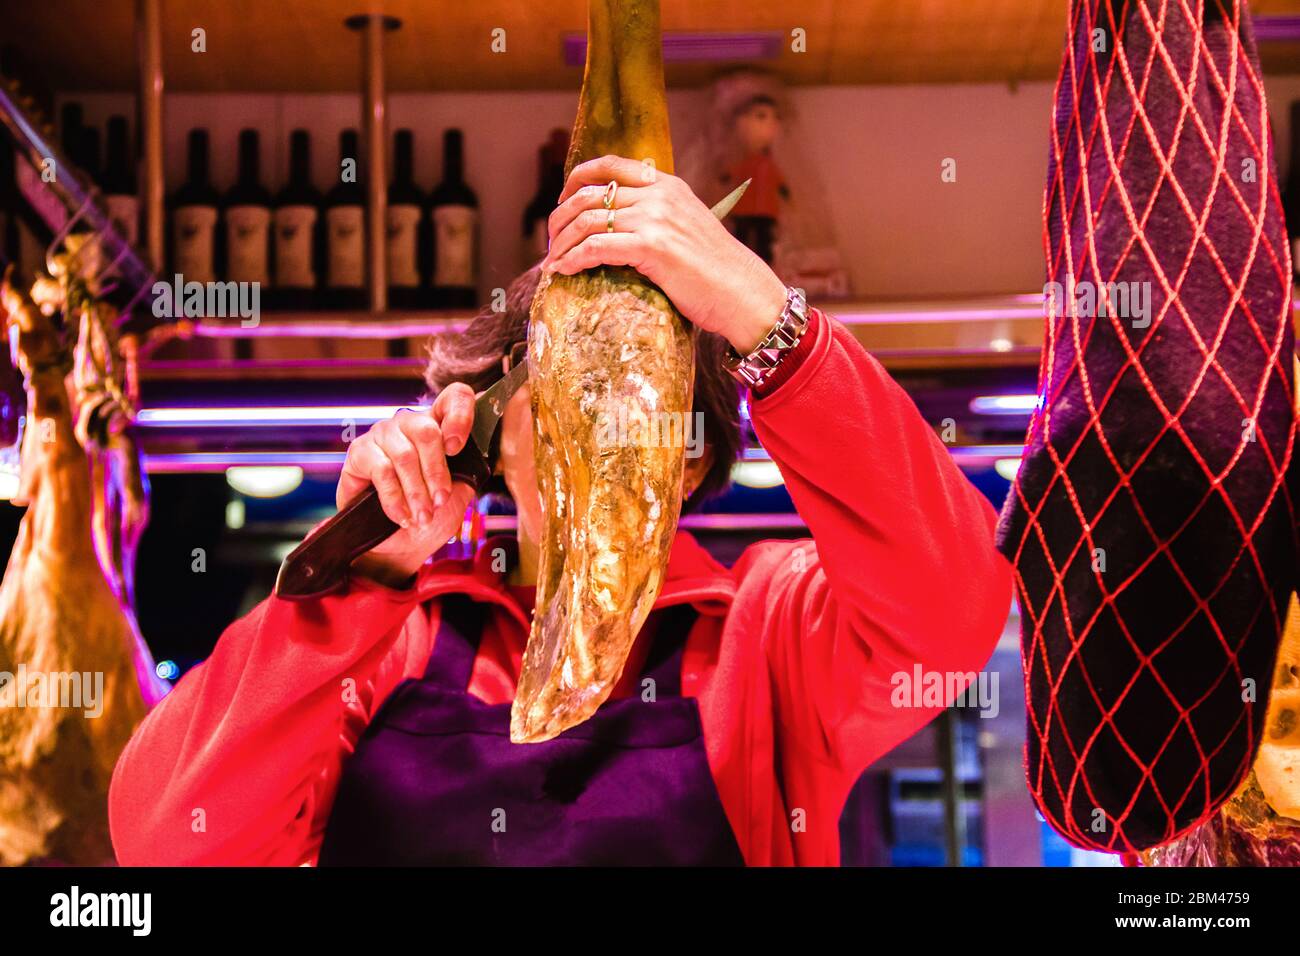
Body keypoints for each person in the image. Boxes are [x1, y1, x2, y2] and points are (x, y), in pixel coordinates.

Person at [108, 155, 1013, 866]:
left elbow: (953, 611)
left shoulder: (766, 635)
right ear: (493, 433)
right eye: (572, 383)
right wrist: (360, 578)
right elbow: (170, 842)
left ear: (693, 458)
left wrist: (758, 308)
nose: (607, 417)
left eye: (642, 390)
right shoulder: (393, 639)